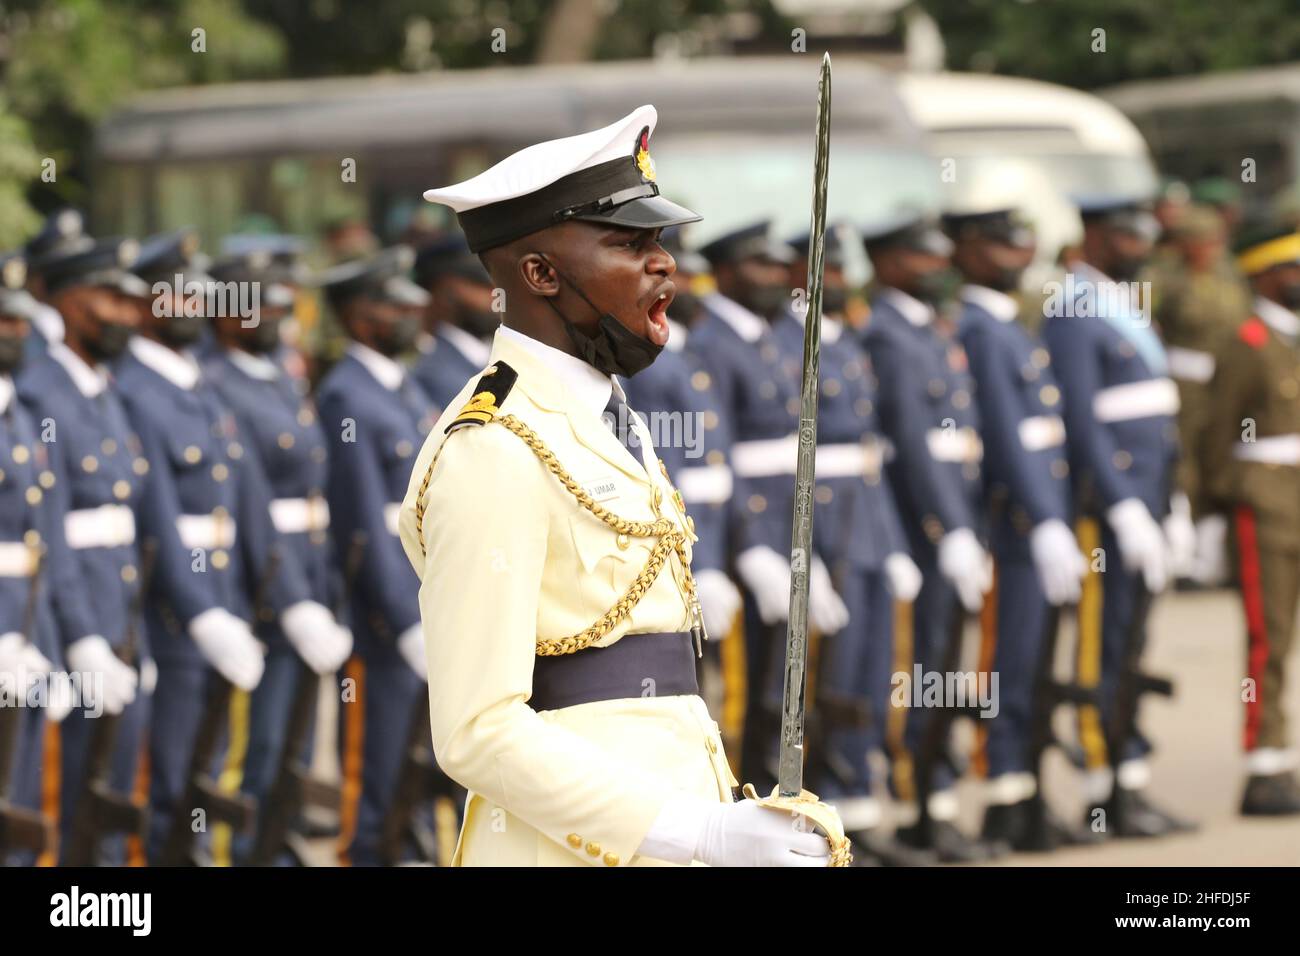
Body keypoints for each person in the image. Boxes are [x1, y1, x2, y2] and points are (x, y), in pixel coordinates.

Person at [406, 105, 840, 866]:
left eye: (661, 242)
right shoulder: (495, 444)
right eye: (631, 243)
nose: (665, 263)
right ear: (539, 274)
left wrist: (716, 822)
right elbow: (477, 730)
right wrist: (693, 830)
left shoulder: (610, 416)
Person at [774, 228, 927, 865]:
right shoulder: (785, 346)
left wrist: (891, 541)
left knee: (866, 673)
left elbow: (870, 457)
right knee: (817, 684)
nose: (836, 280)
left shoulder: (850, 345)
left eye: (841, 269)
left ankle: (861, 817)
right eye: (823, 270)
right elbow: (781, 463)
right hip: (819, 529)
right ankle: (818, 821)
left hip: (864, 522)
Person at [943, 206, 1094, 851]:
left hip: (1043, 518)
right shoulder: (979, 329)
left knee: (1034, 661)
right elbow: (1004, 438)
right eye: (1000, 246)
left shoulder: (1008, 324)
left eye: (1022, 244)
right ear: (970, 252)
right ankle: (1005, 792)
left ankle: (1028, 789)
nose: (1016, 255)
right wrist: (1041, 519)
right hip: (1015, 525)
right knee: (1006, 661)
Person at [1044, 196, 1195, 838]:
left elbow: (1158, 412)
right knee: (1099, 649)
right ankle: (1100, 789)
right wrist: (1123, 502)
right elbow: (1081, 420)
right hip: (1106, 510)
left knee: (1133, 643)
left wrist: (1174, 498)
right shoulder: (1073, 305)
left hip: (1149, 497)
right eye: (1125, 236)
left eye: (1143, 236)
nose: (1139, 246)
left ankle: (1128, 778)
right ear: (1095, 236)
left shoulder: (1125, 303)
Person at [204, 247, 353, 863]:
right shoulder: (216, 385)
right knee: (249, 746)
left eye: (282, 302)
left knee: (290, 740)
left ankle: (274, 844)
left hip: (306, 572)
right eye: (259, 302)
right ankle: (241, 848)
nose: (276, 314)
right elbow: (250, 505)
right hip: (258, 587)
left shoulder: (282, 377)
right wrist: (288, 596)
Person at [688, 219, 849, 789]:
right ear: (725, 272)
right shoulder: (711, 343)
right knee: (743, 691)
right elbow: (722, 460)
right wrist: (753, 548)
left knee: (785, 688)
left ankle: (779, 803)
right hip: (742, 542)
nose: (774, 277)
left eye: (777, 265)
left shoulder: (768, 338)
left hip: (787, 535)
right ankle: (739, 810)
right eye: (757, 265)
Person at [860, 211, 997, 862]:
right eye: (922, 258)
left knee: (947, 664)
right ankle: (917, 805)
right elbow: (913, 446)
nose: (937, 269)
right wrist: (946, 530)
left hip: (957, 518)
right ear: (887, 263)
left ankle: (939, 801)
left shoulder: (929, 330)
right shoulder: (888, 335)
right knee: (919, 671)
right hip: (921, 526)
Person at [14, 237, 154, 864]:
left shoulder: (104, 390)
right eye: (110, 300)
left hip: (118, 614)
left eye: (132, 302)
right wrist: (80, 638)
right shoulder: (42, 394)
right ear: (70, 302)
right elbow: (54, 530)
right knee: (66, 797)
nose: (126, 315)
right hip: (72, 619)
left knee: (113, 791)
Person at [315, 245, 440, 865]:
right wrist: (404, 621)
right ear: (360, 315)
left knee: (419, 776)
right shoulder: (347, 396)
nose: (410, 315)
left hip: (429, 611)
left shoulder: (404, 388)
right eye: (394, 306)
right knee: (378, 777)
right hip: (382, 628)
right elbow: (364, 525)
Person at [1200, 221, 1300, 816]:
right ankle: (1264, 763)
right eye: (1291, 270)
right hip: (1266, 507)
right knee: (1271, 638)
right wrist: (1211, 509)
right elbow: (1218, 433)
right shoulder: (1248, 342)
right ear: (1262, 276)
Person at [1153, 205, 1251, 583]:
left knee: (1222, 458)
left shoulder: (1229, 274)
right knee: (1185, 462)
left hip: (1225, 380)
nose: (1209, 248)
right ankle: (1185, 552)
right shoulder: (1164, 277)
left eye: (1214, 241)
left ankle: (1216, 553)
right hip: (1185, 381)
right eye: (1201, 241)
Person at [411, 234, 498, 409]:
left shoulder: (494, 356)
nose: (496, 293)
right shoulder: (435, 375)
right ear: (446, 292)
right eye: (483, 284)